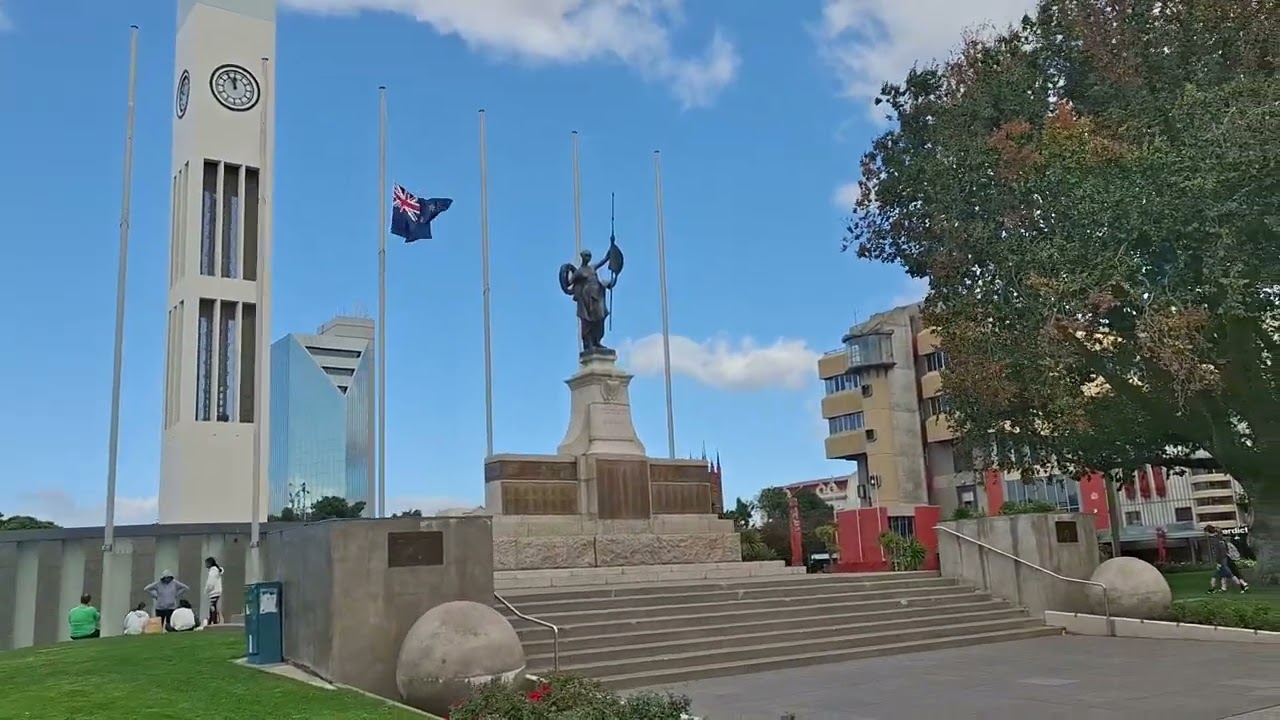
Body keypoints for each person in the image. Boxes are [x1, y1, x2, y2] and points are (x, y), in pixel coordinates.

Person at [1205, 525, 1249, 594]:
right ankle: (1220, 588)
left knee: (1230, 575)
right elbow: (1225, 549)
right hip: (1226, 558)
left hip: (1222, 560)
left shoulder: (1214, 540)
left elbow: (1217, 552)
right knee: (1222, 575)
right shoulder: (1221, 539)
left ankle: (1242, 586)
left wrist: (1218, 562)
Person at [204, 556, 224, 625]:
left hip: (213, 592)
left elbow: (210, 583)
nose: (205, 565)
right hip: (217, 591)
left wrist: (207, 589)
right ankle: (212, 621)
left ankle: (213, 622)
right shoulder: (216, 571)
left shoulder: (213, 572)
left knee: (213, 608)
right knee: (213, 607)